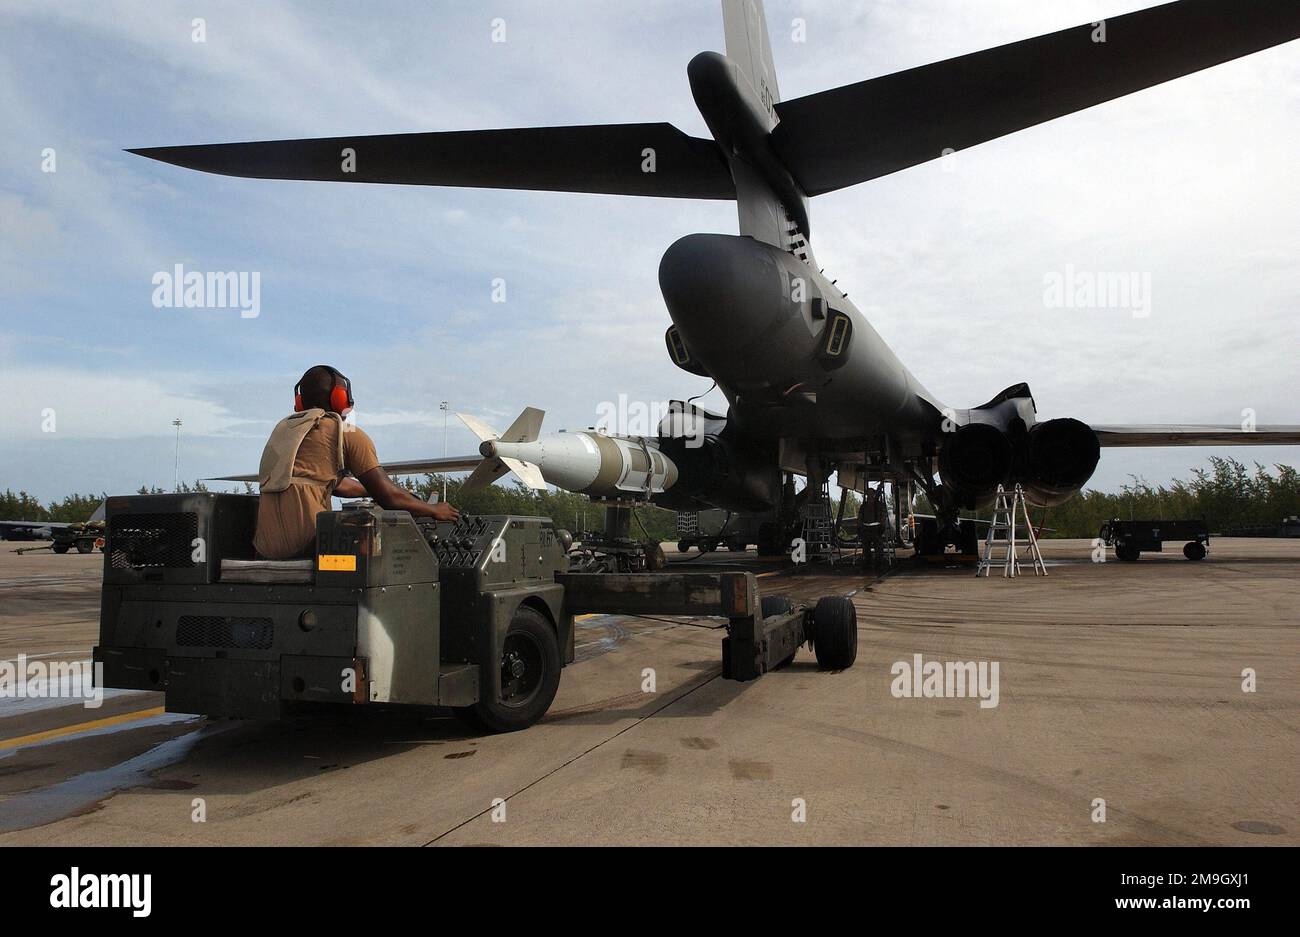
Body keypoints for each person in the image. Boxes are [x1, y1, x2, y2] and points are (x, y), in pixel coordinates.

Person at [253, 365, 459, 560]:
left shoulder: (284, 435)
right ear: (340, 399)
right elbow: (389, 498)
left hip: (265, 549)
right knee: (393, 545)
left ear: (300, 402)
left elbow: (332, 483)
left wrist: (369, 490)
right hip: (310, 545)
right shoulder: (344, 434)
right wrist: (433, 510)